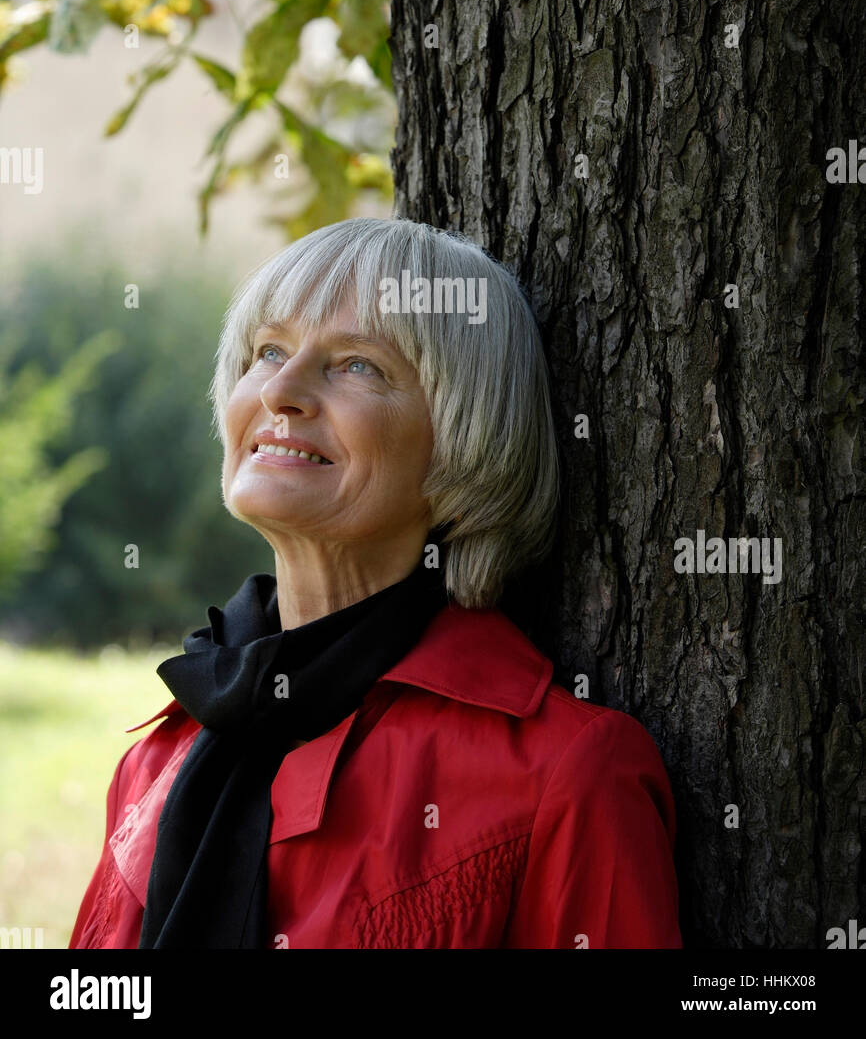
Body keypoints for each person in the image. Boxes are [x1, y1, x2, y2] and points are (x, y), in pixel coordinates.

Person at [69, 216, 681, 949]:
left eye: (357, 364)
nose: (281, 392)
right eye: (268, 351)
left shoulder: (567, 773)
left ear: (463, 436)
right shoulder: (159, 755)